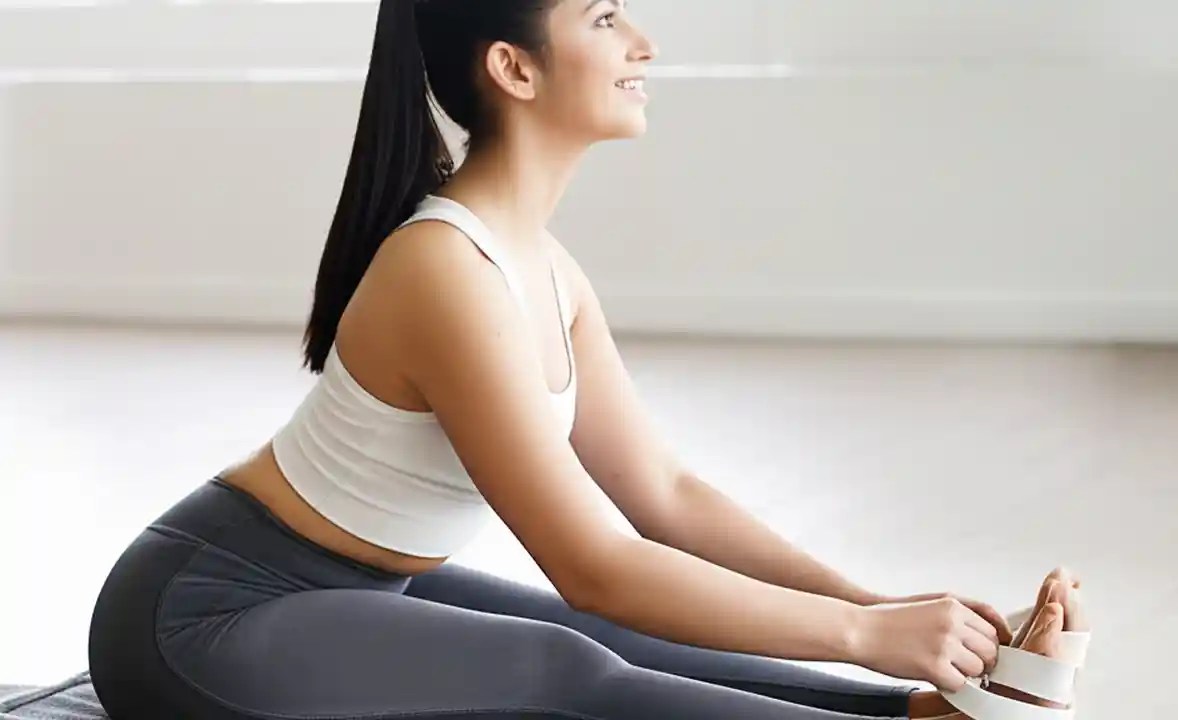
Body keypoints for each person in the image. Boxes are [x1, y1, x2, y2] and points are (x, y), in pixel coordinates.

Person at [86, 1, 1087, 718]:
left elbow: (665, 498)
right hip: (200, 619)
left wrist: (875, 609)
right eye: (604, 17)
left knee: (622, 640)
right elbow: (594, 566)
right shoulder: (443, 271)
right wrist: (862, 637)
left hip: (348, 588)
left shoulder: (541, 267)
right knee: (557, 668)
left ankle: (918, 713)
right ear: (514, 69)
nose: (643, 41)